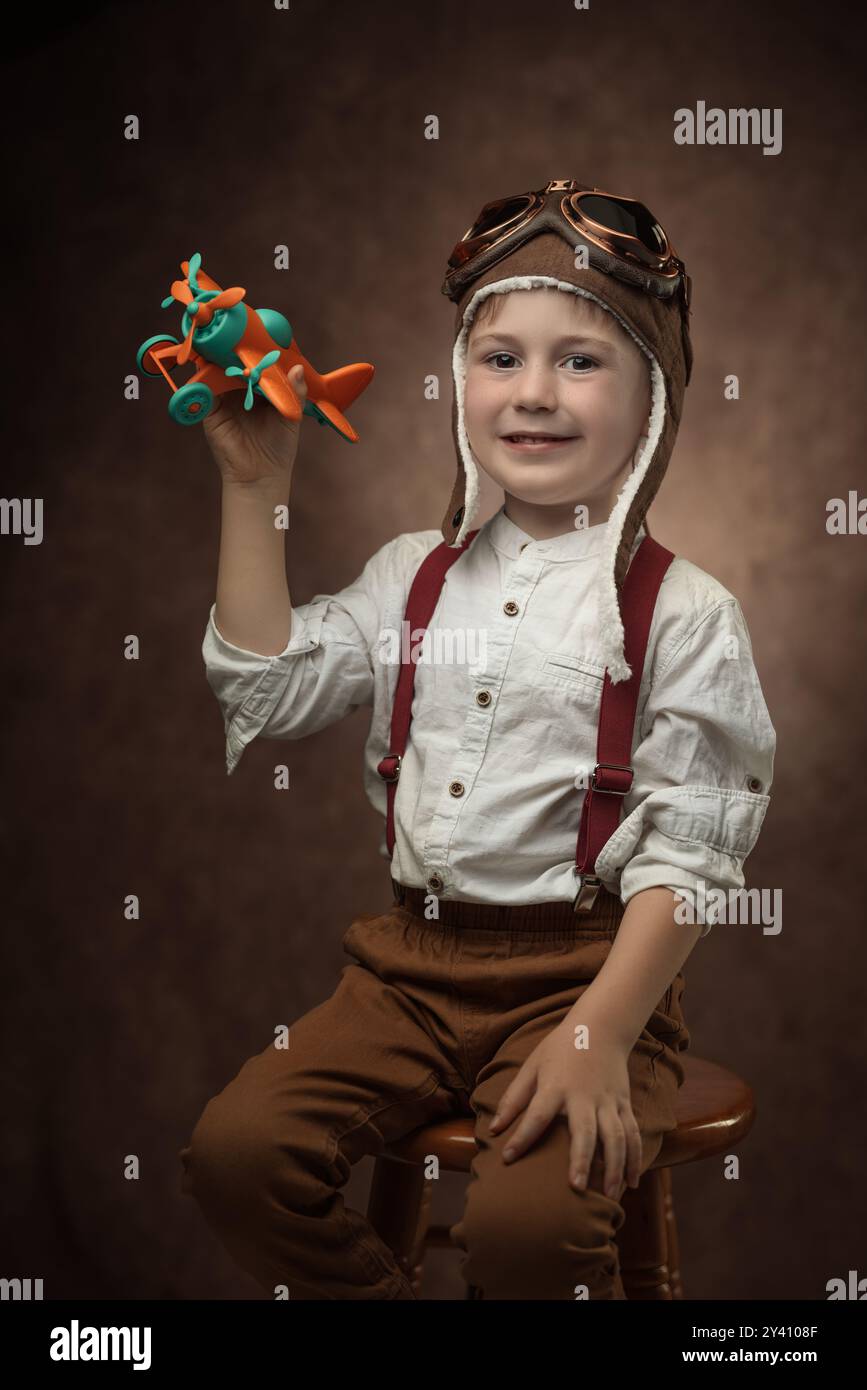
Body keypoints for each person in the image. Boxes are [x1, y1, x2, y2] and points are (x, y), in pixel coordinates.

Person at [178, 179, 776, 1300]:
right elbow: (276, 681)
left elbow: (690, 851)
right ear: (458, 381)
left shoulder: (683, 611)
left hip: (589, 976)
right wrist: (257, 488)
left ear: (655, 389)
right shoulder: (414, 575)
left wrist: (600, 1032)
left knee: (526, 1233)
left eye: (581, 360)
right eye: (500, 357)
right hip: (404, 973)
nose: (534, 393)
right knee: (238, 1156)